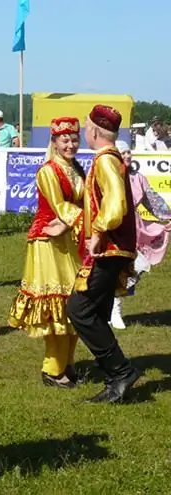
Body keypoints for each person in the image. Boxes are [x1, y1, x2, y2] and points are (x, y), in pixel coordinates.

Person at [64, 105, 141, 403]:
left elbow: (115, 204)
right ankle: (114, 377)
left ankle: (120, 372)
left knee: (79, 309)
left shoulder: (106, 160)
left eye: (86, 128)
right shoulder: (110, 158)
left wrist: (97, 233)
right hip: (112, 247)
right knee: (94, 310)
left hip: (109, 248)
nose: (85, 133)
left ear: (94, 131)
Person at [9, 117, 85, 388]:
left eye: (75, 139)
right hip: (48, 242)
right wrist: (92, 218)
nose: (71, 144)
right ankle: (52, 369)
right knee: (57, 307)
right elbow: (60, 206)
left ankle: (69, 363)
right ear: (54, 142)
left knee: (76, 304)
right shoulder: (48, 171)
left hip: (71, 240)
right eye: (65, 140)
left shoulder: (77, 168)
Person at [109, 140, 171, 329]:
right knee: (110, 270)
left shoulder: (138, 178)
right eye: (123, 153)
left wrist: (167, 216)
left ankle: (115, 309)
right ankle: (108, 309)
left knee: (133, 267)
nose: (127, 156)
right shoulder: (108, 178)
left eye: (129, 152)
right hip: (112, 229)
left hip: (134, 230)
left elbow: (153, 201)